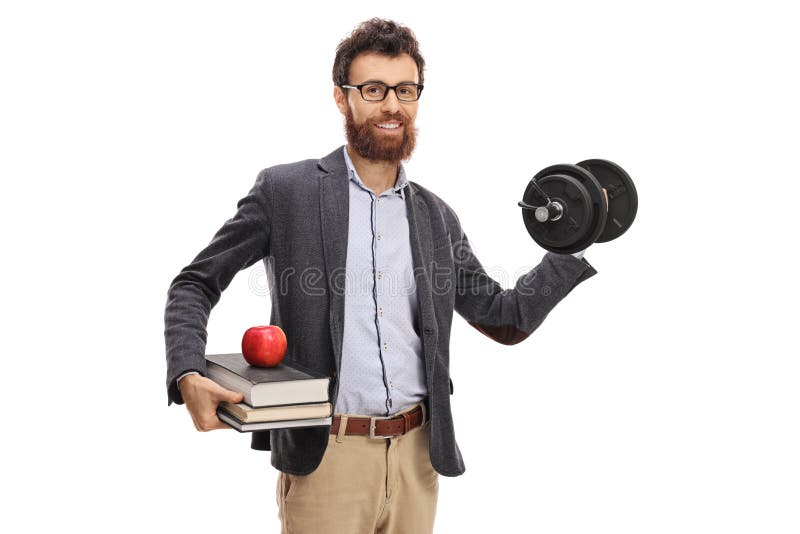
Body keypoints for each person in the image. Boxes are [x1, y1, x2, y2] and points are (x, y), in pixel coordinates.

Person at [164, 18, 597, 534]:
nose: (392, 105)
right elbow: (195, 282)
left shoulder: (436, 216)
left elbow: (504, 318)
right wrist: (187, 372)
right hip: (327, 456)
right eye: (373, 89)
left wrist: (574, 236)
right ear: (342, 98)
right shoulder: (287, 191)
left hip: (418, 457)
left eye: (406, 90)